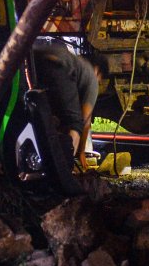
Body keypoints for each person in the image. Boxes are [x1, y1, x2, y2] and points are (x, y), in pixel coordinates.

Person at [32, 42, 107, 171]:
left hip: (36, 62)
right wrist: (81, 151)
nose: (99, 82)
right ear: (97, 70)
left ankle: (44, 161)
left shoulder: (77, 62)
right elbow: (85, 120)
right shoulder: (91, 76)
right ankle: (64, 169)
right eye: (101, 79)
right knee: (75, 123)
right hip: (58, 67)